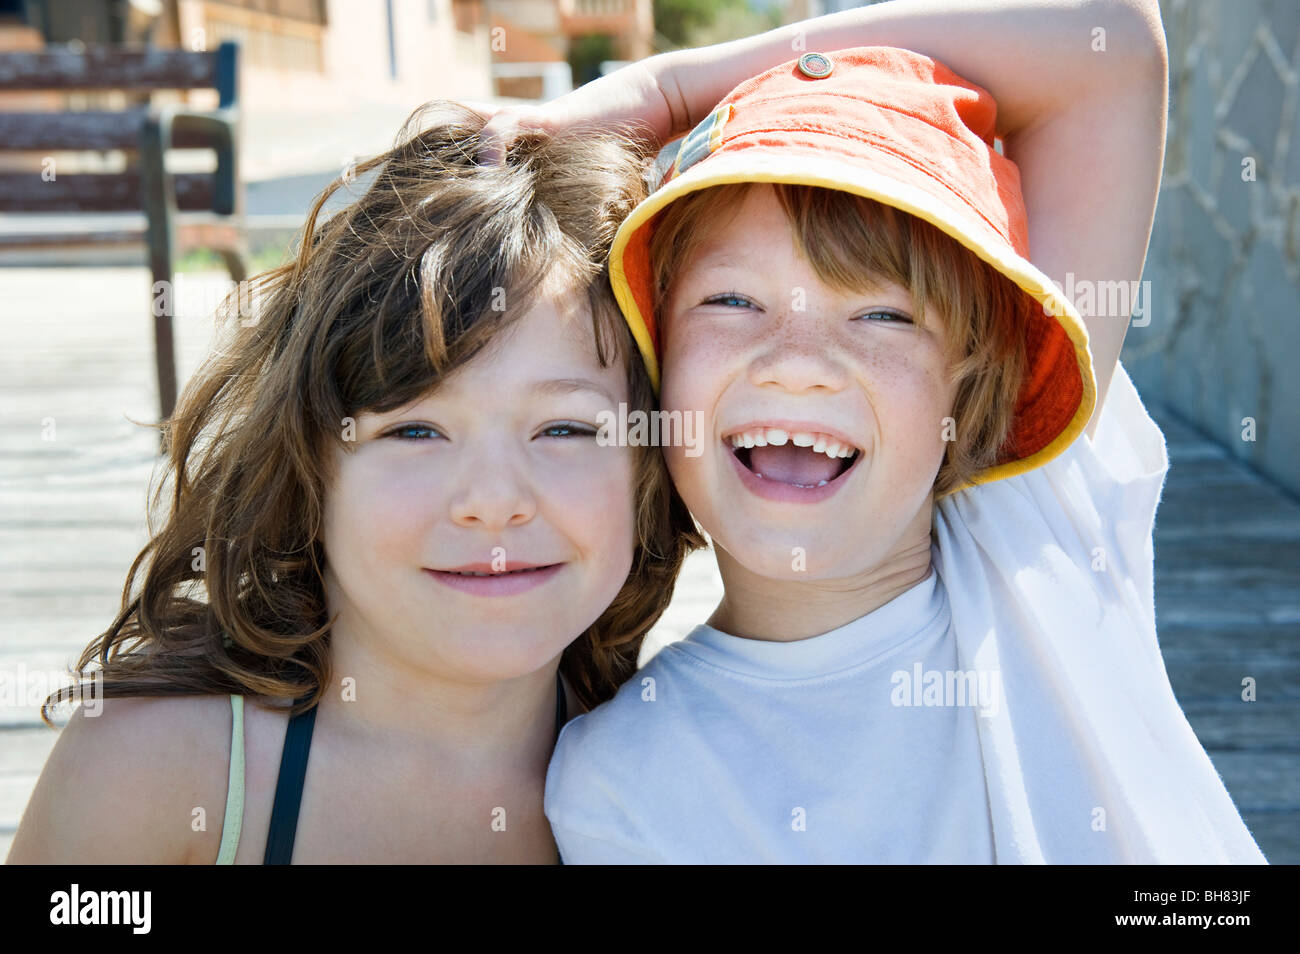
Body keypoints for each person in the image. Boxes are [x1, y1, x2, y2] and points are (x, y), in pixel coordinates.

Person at [485, 1, 1267, 862]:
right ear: (658, 354)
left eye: (883, 314)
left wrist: (672, 88)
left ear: (969, 387)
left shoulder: (1028, 529)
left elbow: (1109, 40)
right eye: (733, 300)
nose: (799, 362)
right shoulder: (619, 779)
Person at [6, 103, 702, 864]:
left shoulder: (677, 772)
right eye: (413, 430)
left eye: (566, 429)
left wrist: (666, 88)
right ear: (311, 464)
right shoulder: (162, 769)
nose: (494, 500)